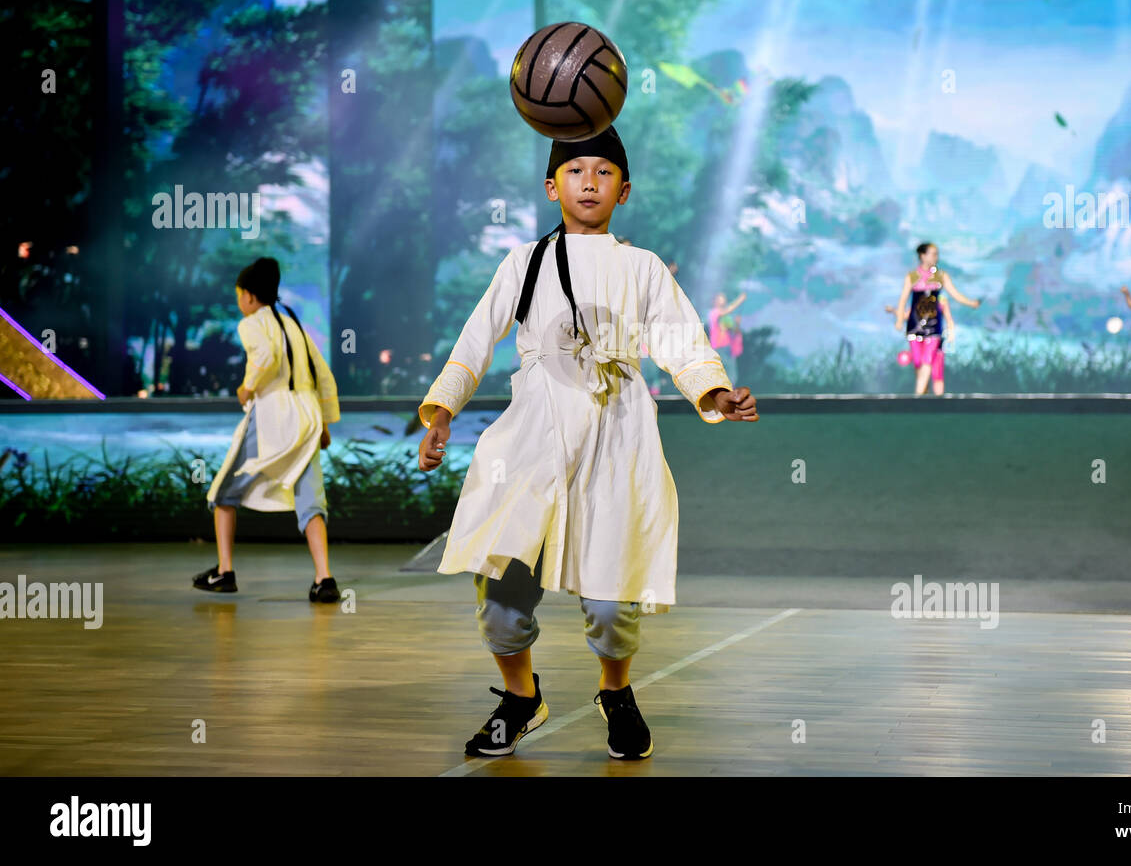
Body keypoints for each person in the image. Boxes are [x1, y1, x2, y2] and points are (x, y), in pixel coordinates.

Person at [416, 126, 758, 761]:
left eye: (604, 172)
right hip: (530, 445)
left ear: (624, 191)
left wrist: (714, 395)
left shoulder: (641, 267)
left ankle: (616, 692)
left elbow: (682, 341)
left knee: (611, 600)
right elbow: (474, 339)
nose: (590, 181)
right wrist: (440, 409)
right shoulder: (524, 263)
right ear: (552, 186)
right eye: (576, 171)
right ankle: (521, 698)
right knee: (502, 590)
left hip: (616, 440)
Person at [194, 257, 342, 603]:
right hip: (306, 415)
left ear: (247, 296)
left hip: (274, 413)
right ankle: (324, 578)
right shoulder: (294, 324)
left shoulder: (251, 324)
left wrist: (247, 387)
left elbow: (264, 357)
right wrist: (323, 421)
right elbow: (322, 374)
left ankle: (224, 571)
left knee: (223, 492)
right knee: (311, 500)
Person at [890, 242, 981, 395]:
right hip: (915, 325)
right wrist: (899, 319)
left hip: (933, 326)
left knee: (927, 361)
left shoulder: (941, 276)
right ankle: (923, 394)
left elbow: (955, 294)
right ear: (922, 255)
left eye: (937, 254)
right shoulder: (912, 276)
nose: (935, 257)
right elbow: (903, 299)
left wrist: (971, 303)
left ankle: (917, 398)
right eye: (932, 253)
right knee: (918, 363)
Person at [708, 290, 747, 381]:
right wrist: (740, 300)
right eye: (719, 298)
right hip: (718, 348)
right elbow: (728, 310)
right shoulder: (713, 313)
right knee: (719, 375)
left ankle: (729, 393)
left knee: (731, 376)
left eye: (723, 298)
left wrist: (737, 323)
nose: (722, 300)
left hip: (728, 348)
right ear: (714, 301)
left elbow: (735, 331)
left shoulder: (726, 317)